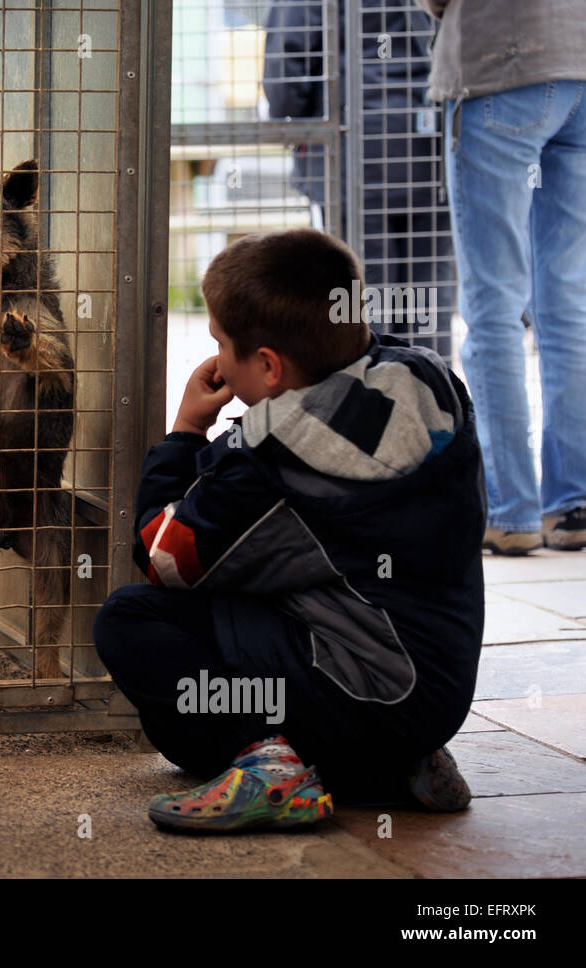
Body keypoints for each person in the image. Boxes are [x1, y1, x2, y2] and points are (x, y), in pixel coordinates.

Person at [93, 229, 483, 832]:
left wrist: (186, 433)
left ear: (269, 366)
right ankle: (388, 767)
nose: (218, 358)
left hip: (363, 682)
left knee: (134, 627)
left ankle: (276, 772)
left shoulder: (268, 455)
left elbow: (162, 555)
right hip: (438, 689)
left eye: (222, 343)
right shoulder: (430, 379)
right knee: (182, 718)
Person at [416, 0, 586, 554]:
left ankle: (513, 512)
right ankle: (572, 505)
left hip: (502, 65)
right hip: (580, 69)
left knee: (494, 305)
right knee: (566, 305)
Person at [264, 0, 457, 363]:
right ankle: (435, 408)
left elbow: (287, 67)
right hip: (431, 148)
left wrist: (297, 125)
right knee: (428, 302)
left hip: (351, 151)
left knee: (363, 299)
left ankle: (371, 408)